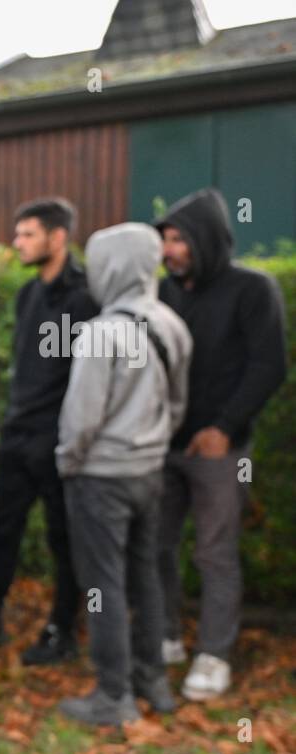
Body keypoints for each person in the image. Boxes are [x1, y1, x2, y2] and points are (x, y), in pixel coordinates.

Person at [0, 198, 98, 664]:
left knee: (63, 537)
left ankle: (62, 630)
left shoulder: (86, 297)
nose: (18, 243)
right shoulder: (29, 295)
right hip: (19, 435)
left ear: (58, 237)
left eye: (28, 234)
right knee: (4, 528)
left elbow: (88, 379)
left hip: (59, 440)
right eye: (18, 234)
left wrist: (70, 438)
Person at [55, 223, 192, 726]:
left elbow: (81, 417)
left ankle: (114, 696)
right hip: (150, 473)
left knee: (104, 584)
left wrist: (68, 461)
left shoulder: (100, 332)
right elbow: (177, 406)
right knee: (146, 574)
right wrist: (150, 445)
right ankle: (153, 681)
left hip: (101, 477)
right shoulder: (172, 326)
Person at [155, 188, 288, 701]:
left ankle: (213, 655)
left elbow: (268, 364)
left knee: (215, 552)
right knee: (155, 545)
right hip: (164, 445)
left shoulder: (253, 289)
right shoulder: (165, 294)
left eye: (178, 239)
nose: (168, 250)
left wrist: (225, 428)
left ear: (205, 240)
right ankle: (165, 636)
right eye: (165, 239)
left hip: (219, 451)